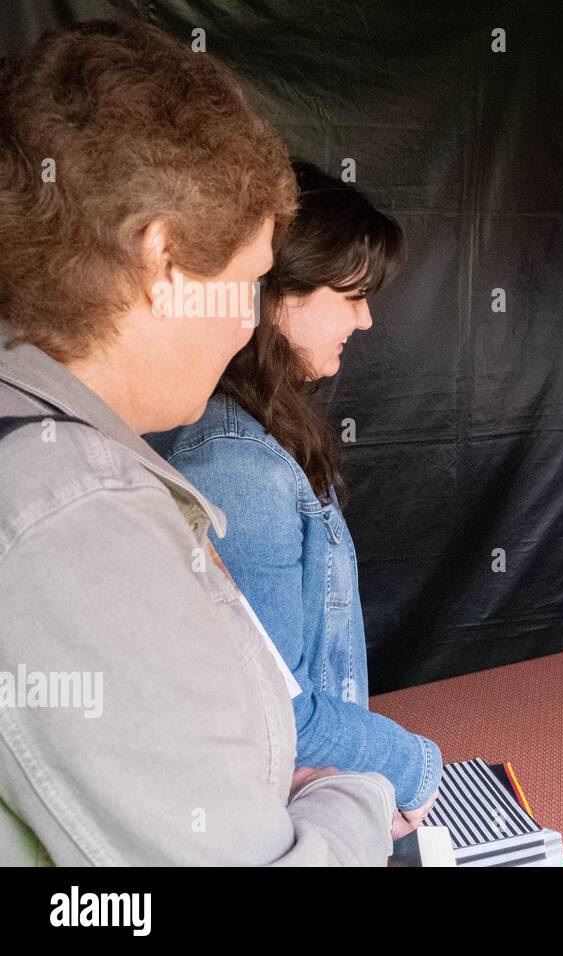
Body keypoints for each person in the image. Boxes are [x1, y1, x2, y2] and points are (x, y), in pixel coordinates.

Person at [0, 21, 396, 864]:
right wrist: (357, 789)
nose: (250, 321)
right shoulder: (76, 515)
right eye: (252, 279)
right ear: (164, 258)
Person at [146, 161, 441, 838]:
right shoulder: (236, 466)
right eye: (352, 295)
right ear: (279, 294)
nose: (366, 320)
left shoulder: (256, 434)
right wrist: (418, 765)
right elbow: (277, 713)